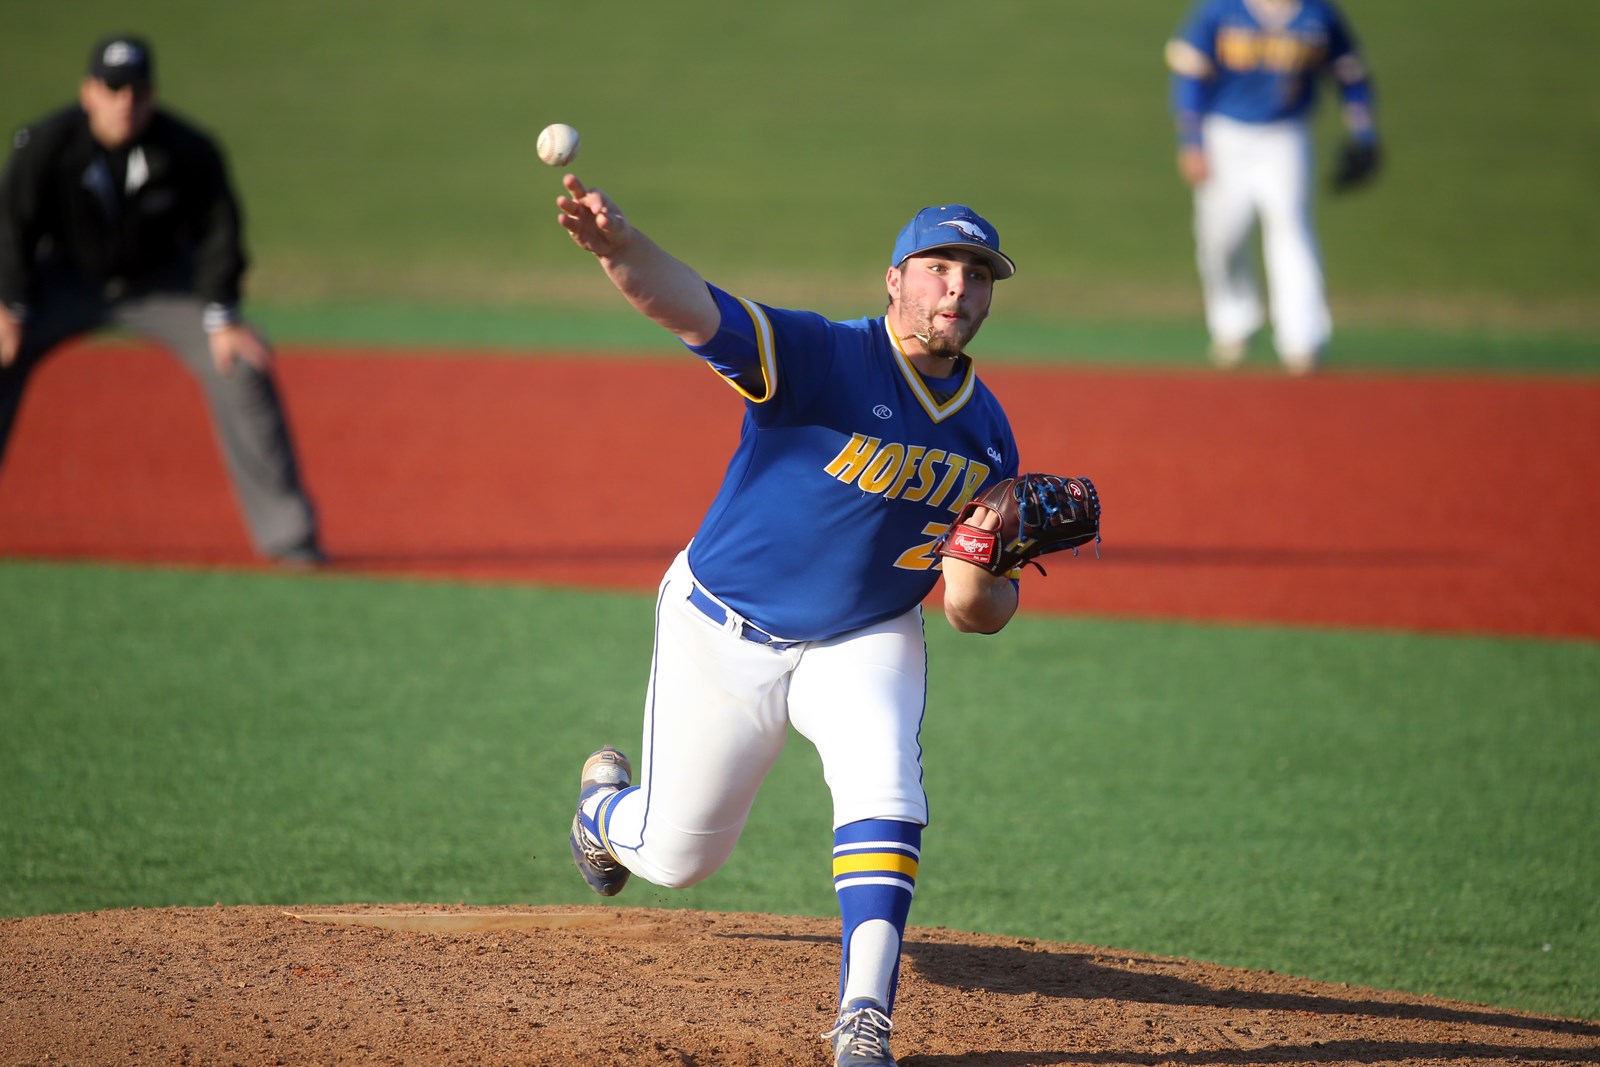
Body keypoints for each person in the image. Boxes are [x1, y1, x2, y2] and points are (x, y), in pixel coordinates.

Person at [553, 172, 1066, 1066]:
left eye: (977, 274)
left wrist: (990, 562)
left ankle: (864, 1017)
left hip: (866, 633)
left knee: (885, 783)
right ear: (894, 279)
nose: (957, 287)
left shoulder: (989, 438)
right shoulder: (822, 357)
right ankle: (603, 814)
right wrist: (621, 251)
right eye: (939, 267)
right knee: (679, 858)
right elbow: (693, 309)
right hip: (724, 626)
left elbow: (970, 610)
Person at [0, 34, 322, 564]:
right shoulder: (45, 144)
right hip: (64, 282)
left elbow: (220, 234)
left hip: (161, 287)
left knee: (241, 363)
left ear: (153, 94)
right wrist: (10, 307)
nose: (125, 101)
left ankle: (289, 537)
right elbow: (11, 226)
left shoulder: (188, 149)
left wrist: (223, 317)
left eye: (138, 90)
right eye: (114, 88)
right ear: (89, 92)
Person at [1165, 0, 1380, 374]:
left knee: (1292, 230)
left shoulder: (1317, 14)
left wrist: (1363, 132)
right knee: (1221, 236)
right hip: (1225, 133)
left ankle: (1302, 338)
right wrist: (1192, 141)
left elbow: (1351, 74)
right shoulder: (1222, 10)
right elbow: (1190, 73)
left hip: (1286, 136)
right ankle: (1233, 324)